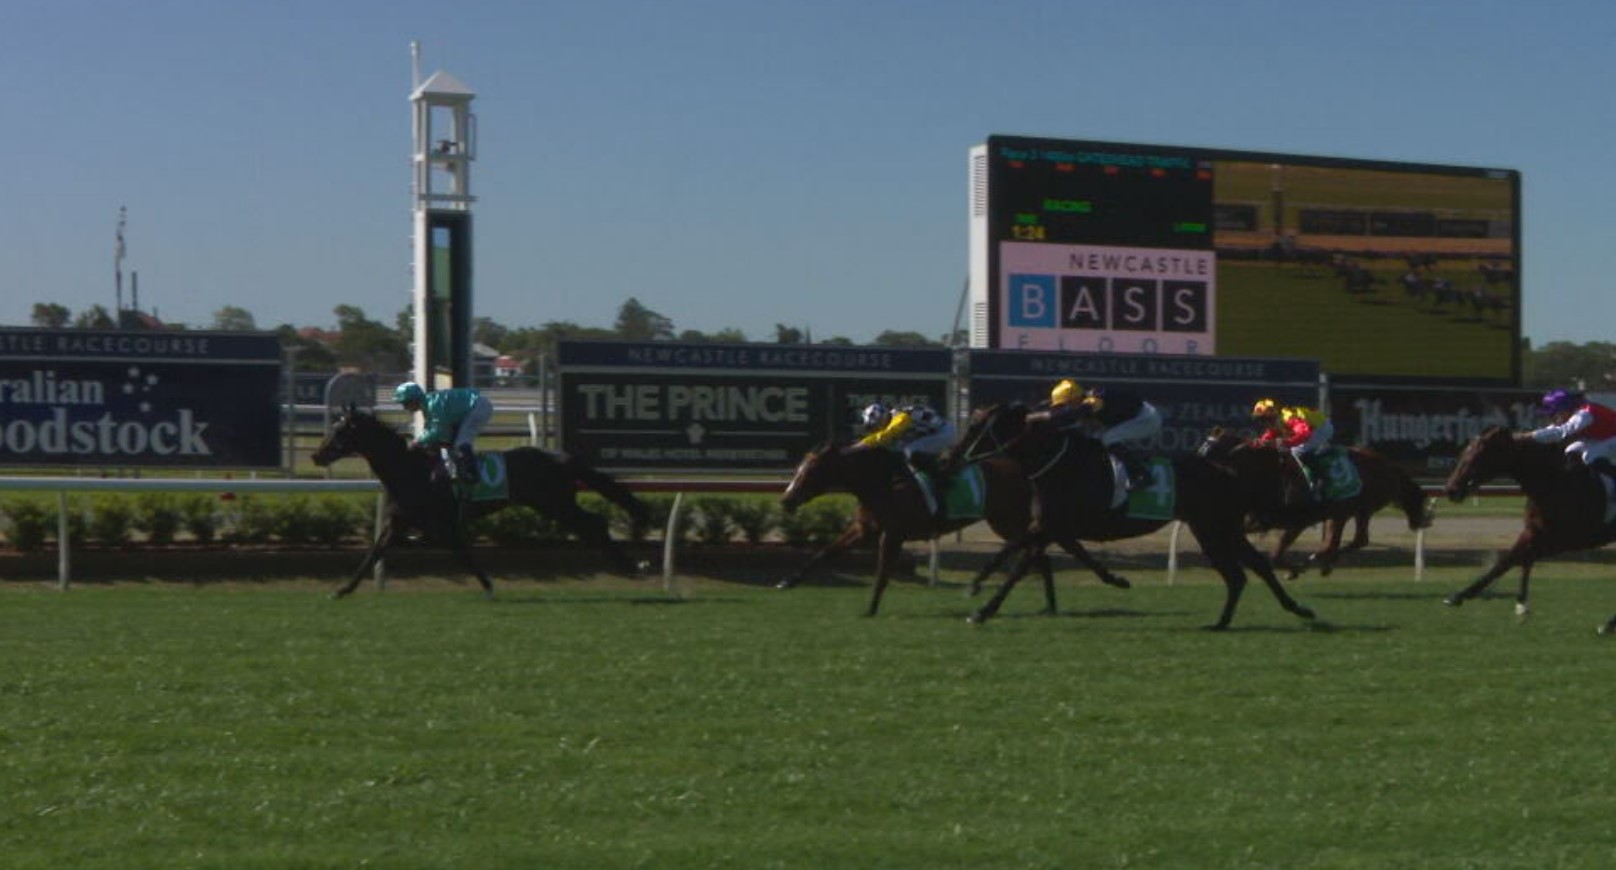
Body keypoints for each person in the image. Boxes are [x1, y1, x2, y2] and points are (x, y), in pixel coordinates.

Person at [1029, 379, 1161, 488]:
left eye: (1065, 405)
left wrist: (1037, 417)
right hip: (1133, 418)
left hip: (1145, 419)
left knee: (1108, 438)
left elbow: (1068, 416)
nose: (1064, 408)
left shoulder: (1094, 401)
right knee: (1097, 440)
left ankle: (1142, 475)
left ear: (1075, 399)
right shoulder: (1086, 401)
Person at [856, 401, 957, 519]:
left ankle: (942, 480)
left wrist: (857, 446)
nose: (876, 429)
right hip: (930, 434)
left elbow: (886, 436)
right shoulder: (891, 421)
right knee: (901, 452)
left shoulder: (900, 417)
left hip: (944, 432)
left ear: (883, 418)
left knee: (910, 450)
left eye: (876, 426)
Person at [394, 381, 494, 485]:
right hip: (470, 409)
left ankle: (473, 475)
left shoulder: (433, 404)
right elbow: (433, 432)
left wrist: (417, 442)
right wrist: (422, 442)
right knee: (448, 444)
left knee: (462, 442)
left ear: (414, 400)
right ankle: (455, 476)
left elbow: (437, 430)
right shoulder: (428, 406)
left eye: (405, 403)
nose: (404, 407)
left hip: (478, 407)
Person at [1251, 398, 1334, 501]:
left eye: (1264, 419)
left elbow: (1304, 435)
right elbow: (1271, 435)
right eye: (1260, 420)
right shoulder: (1276, 420)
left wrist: (1285, 442)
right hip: (1312, 428)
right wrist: (1259, 443)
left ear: (1272, 415)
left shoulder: (1289, 417)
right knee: (1288, 448)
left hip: (1322, 427)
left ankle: (1315, 485)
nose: (1262, 422)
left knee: (1296, 451)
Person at [1528, 388, 1616, 478]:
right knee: (1571, 450)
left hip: (1612, 437)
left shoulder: (1583, 415)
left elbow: (1560, 432)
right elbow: (1552, 430)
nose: (1552, 418)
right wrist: (1529, 435)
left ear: (1564, 410)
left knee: (1589, 456)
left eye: (1553, 414)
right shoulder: (1573, 413)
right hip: (1605, 437)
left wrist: (1528, 436)